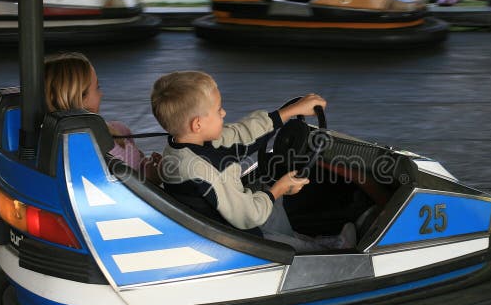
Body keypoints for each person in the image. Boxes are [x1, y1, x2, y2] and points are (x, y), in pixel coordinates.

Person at [151, 70, 356, 253]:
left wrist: (290, 111)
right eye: (218, 110)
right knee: (282, 243)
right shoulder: (201, 170)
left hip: (226, 219)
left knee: (265, 190)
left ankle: (302, 239)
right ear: (198, 124)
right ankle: (326, 251)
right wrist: (280, 189)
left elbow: (240, 135)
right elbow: (247, 215)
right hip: (233, 239)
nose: (224, 113)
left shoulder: (183, 144)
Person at [44, 52, 160, 182]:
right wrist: (153, 174)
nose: (101, 94)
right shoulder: (103, 148)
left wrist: (145, 164)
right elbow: (134, 182)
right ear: (81, 98)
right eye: (97, 88)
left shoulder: (48, 139)